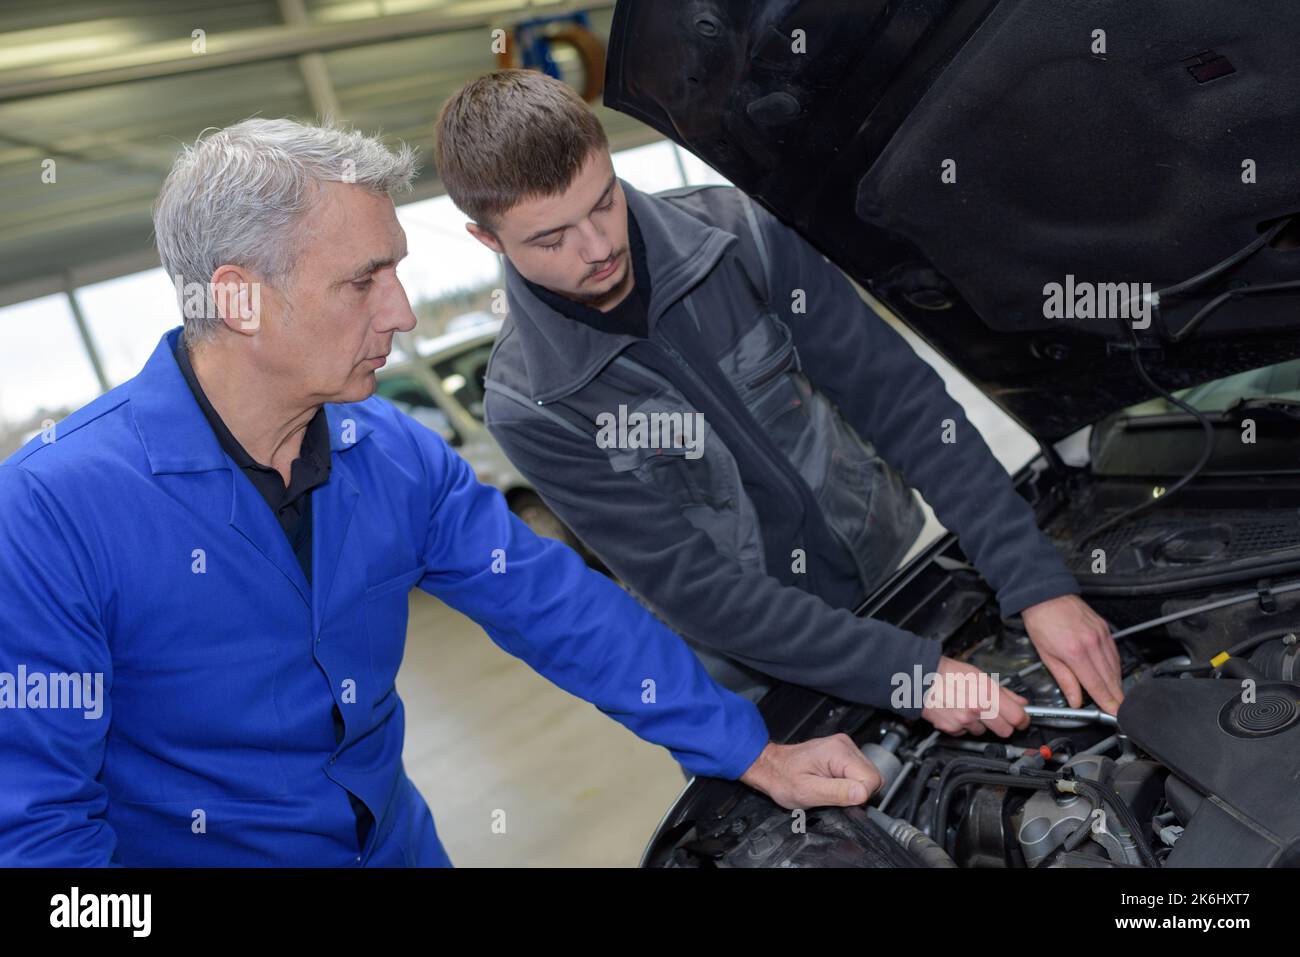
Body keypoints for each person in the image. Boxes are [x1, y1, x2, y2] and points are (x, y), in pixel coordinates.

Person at [0, 118, 881, 867]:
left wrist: (750, 747)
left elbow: (556, 608)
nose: (403, 313)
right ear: (239, 298)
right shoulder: (52, 512)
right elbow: (38, 831)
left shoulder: (388, 453)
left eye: (396, 269)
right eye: (362, 281)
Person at [433, 70, 1123, 750]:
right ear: (487, 239)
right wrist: (908, 676)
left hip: (894, 576)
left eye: (604, 201)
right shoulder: (534, 404)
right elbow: (694, 585)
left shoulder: (739, 237)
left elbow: (903, 404)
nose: (599, 246)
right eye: (552, 238)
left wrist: (1030, 579)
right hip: (754, 681)